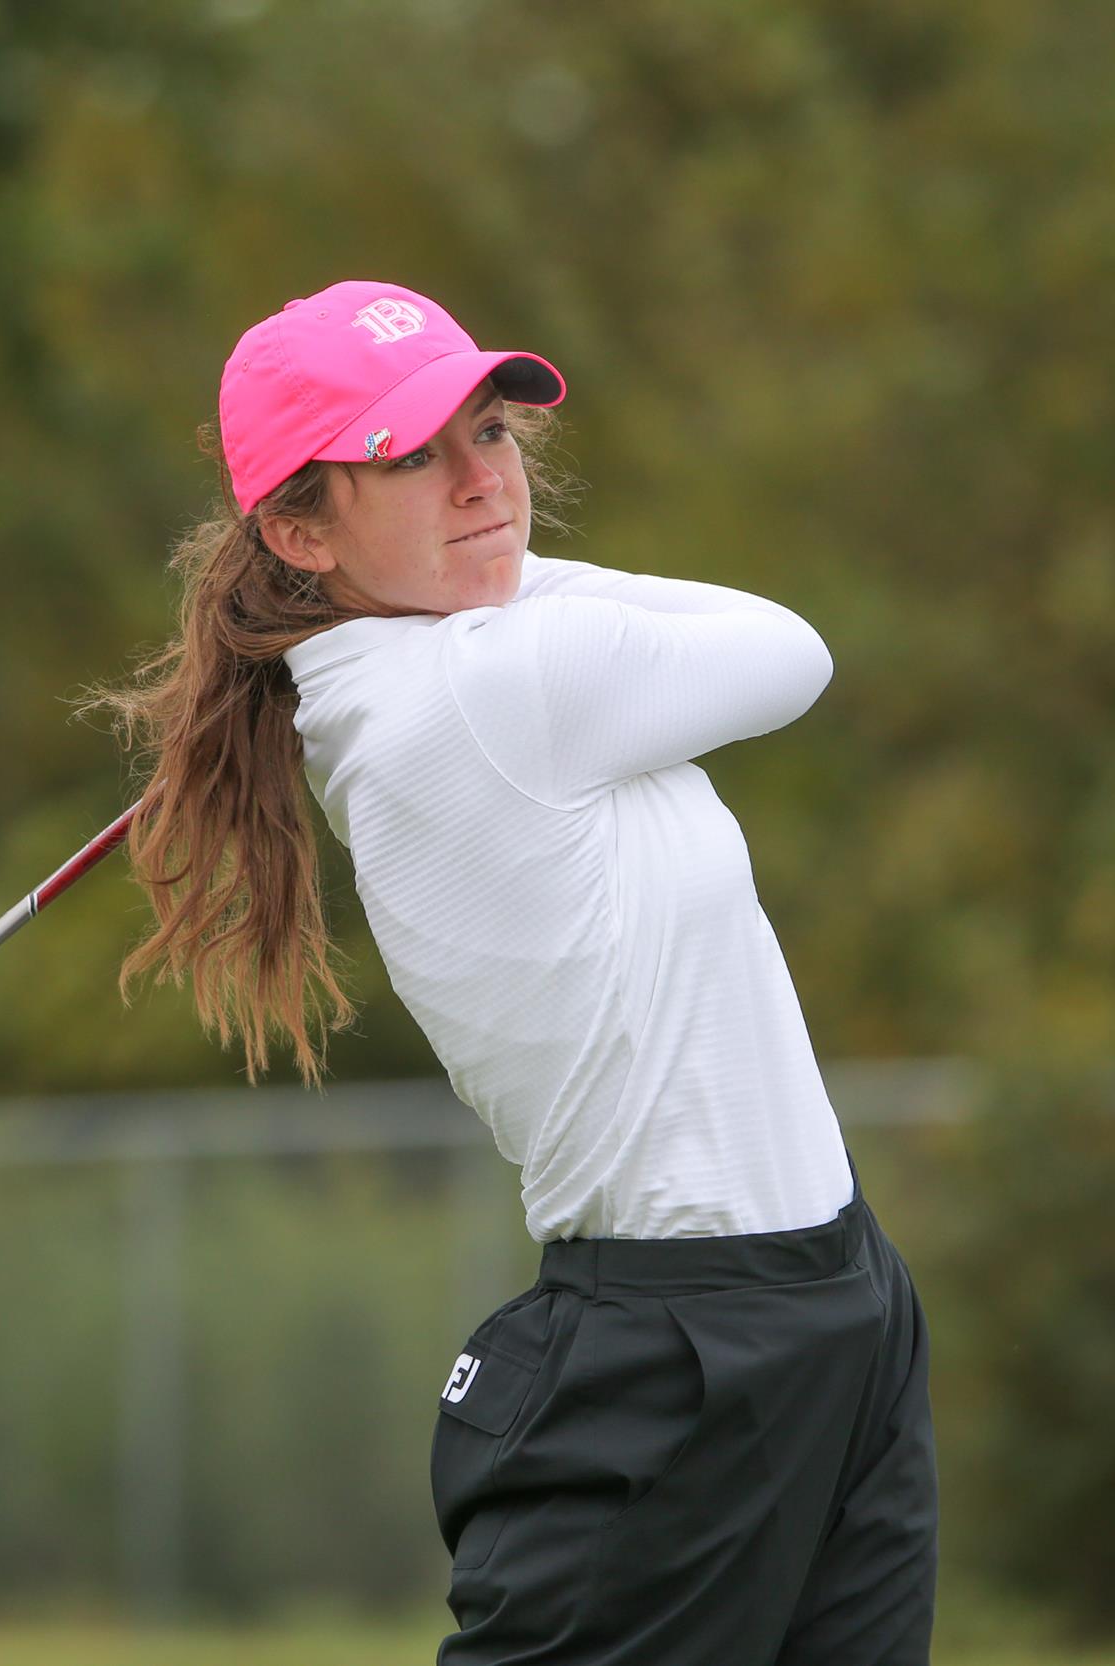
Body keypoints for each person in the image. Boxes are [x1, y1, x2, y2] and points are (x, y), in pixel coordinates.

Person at [87, 279, 937, 1664]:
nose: (481, 480)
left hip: (835, 1305)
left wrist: (472, 571)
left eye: (488, 433)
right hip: (682, 1353)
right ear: (299, 530)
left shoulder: (463, 662)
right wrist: (506, 581)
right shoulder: (468, 693)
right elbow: (794, 650)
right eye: (414, 456)